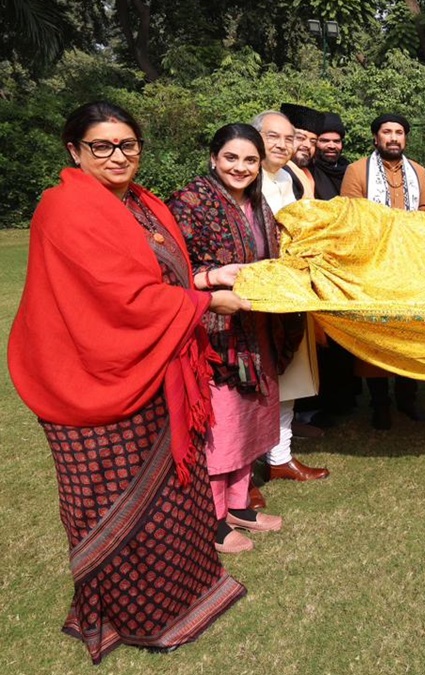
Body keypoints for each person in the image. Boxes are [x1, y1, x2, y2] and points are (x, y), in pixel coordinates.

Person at [8, 101, 248, 663]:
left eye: (128, 145)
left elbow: (162, 277)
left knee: (172, 497)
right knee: (111, 504)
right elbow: (122, 300)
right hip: (93, 379)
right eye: (102, 146)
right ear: (75, 150)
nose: (119, 156)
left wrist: (208, 277)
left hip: (152, 368)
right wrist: (209, 300)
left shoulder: (142, 203)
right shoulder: (64, 208)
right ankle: (135, 616)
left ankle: (183, 596)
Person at [169, 123, 300, 554]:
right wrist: (211, 278)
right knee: (222, 427)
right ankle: (213, 518)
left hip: (255, 330)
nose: (240, 168)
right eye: (231, 158)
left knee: (250, 421)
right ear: (213, 158)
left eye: (250, 160)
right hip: (215, 335)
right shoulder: (189, 203)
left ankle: (240, 505)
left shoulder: (260, 204)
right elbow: (165, 272)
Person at [250, 110, 329, 482]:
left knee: (290, 378)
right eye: (273, 137)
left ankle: (280, 456)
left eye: (289, 138)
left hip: (291, 290)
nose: (283, 144)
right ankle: (244, 470)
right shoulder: (244, 179)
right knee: (249, 382)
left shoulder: (292, 178)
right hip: (253, 294)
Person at [341, 112, 425, 429]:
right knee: (375, 335)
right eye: (386, 132)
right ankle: (380, 403)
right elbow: (349, 217)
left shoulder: (418, 171)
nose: (393, 137)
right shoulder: (356, 171)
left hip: (409, 266)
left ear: (405, 138)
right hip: (372, 266)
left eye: (399, 133)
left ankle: (408, 398)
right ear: (375, 138)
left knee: (410, 333)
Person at [281, 102, 323, 200]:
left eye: (313, 142)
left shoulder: (309, 173)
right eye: (300, 138)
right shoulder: (277, 171)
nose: (308, 145)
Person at [312, 112, 350, 200]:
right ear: (315, 143)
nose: (332, 146)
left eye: (336, 141)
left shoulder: (350, 171)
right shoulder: (308, 172)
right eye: (325, 141)